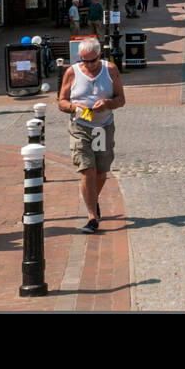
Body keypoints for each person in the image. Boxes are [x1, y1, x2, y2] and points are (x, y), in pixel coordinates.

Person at [58, 38, 126, 233]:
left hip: (103, 126)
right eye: (83, 60)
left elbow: (121, 99)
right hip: (80, 126)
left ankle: (92, 199)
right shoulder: (72, 72)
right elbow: (61, 102)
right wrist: (73, 106)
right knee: (86, 168)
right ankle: (92, 217)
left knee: (101, 171)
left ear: (100, 56)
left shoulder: (110, 70)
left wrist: (107, 104)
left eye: (92, 61)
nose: (88, 64)